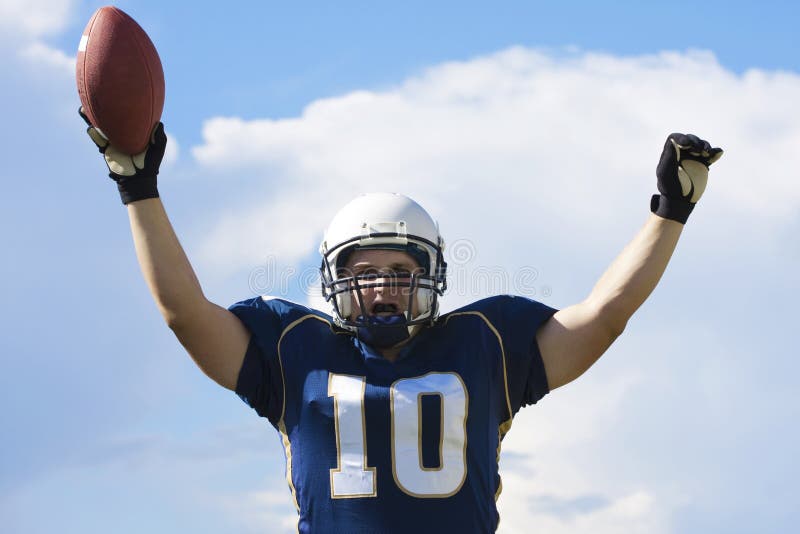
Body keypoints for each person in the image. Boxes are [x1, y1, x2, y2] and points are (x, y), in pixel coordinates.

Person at [80, 110, 722, 533]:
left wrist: (669, 211)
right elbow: (184, 315)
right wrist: (137, 186)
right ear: (336, 282)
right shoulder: (295, 347)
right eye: (363, 272)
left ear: (431, 276)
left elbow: (604, 318)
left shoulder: (485, 342)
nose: (382, 286)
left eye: (399, 269)